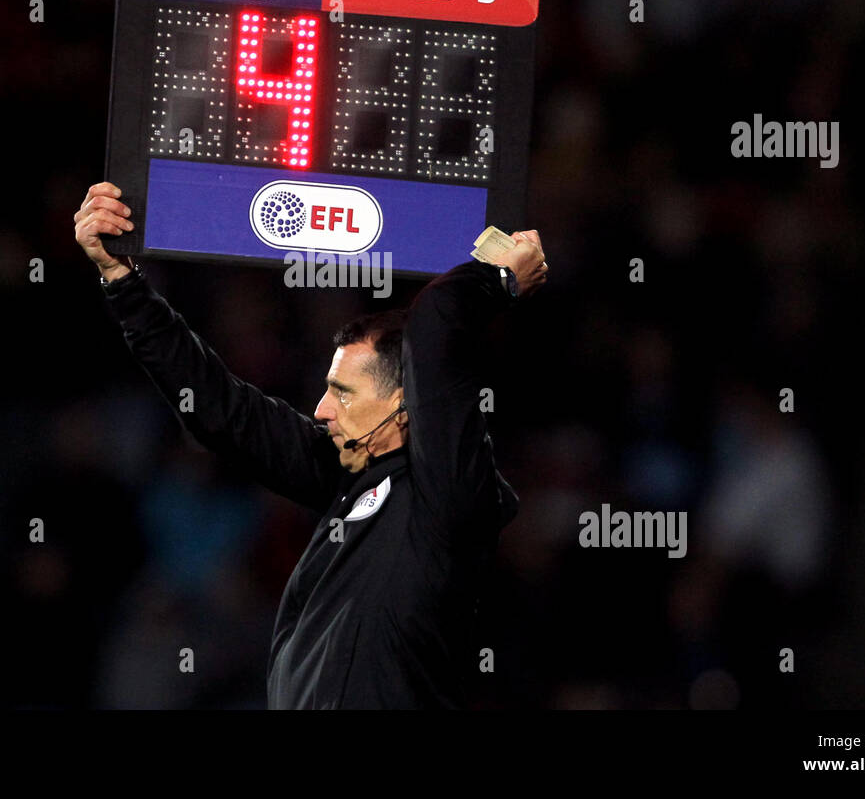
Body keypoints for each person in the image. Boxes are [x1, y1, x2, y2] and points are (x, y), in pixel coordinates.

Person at [74, 182, 547, 708]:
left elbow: (436, 322)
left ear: (404, 404)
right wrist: (123, 281)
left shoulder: (451, 493)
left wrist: (497, 279)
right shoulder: (347, 474)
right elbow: (220, 410)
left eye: (342, 392)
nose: (321, 410)